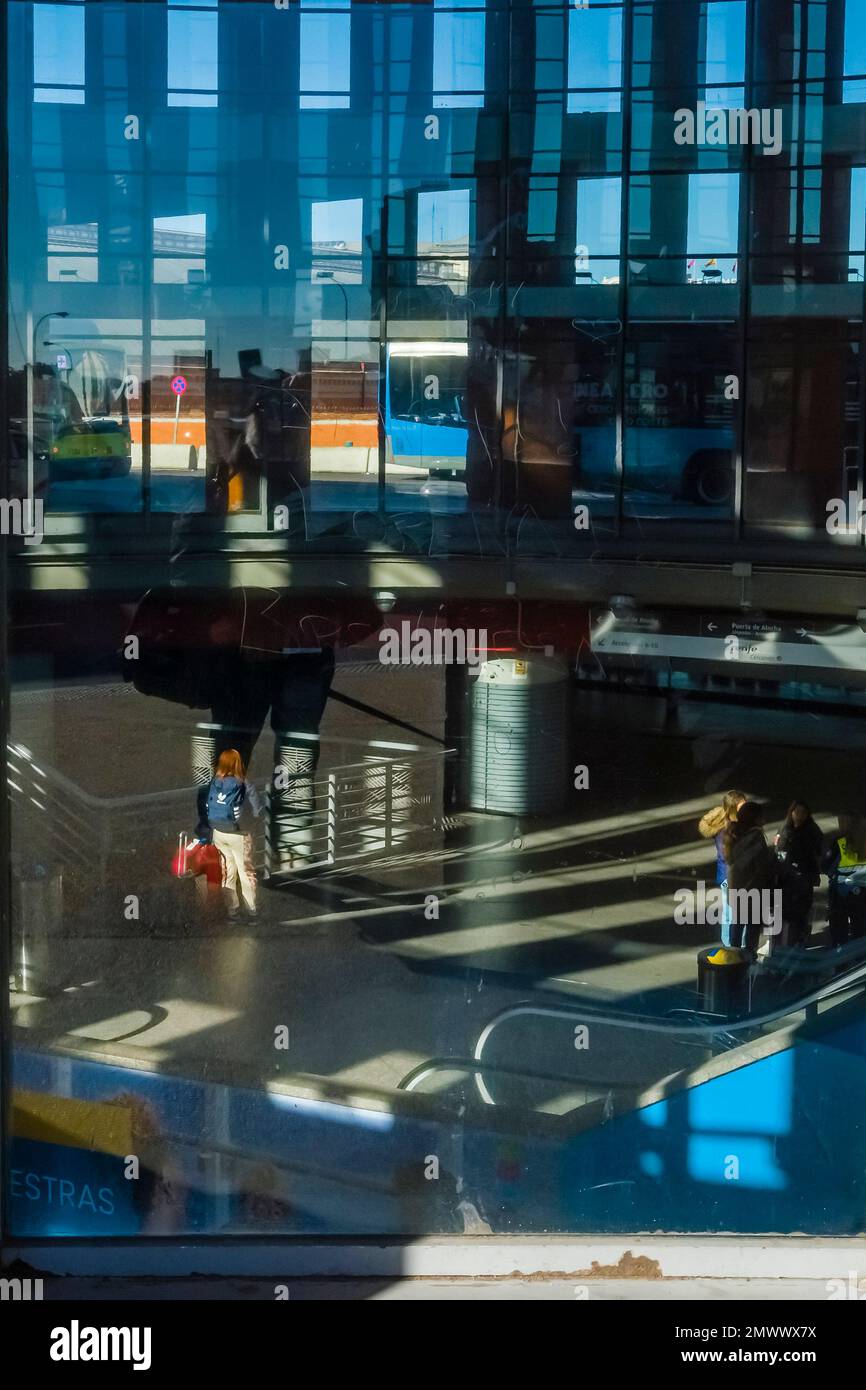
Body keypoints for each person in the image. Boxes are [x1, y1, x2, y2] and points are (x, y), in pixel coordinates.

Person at [196, 748, 262, 919]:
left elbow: (206, 804)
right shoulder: (243, 783)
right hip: (238, 833)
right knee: (245, 871)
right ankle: (251, 910)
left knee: (227, 870)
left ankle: (232, 910)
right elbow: (257, 809)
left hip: (218, 831)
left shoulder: (215, 782)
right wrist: (254, 819)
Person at [723, 801, 779, 954]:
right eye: (761, 817)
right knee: (753, 928)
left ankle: (733, 957)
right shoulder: (755, 837)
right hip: (752, 890)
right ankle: (748, 958)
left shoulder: (733, 833)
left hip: (736, 889)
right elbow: (761, 866)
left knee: (737, 924)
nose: (764, 820)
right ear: (754, 818)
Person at [699, 790, 746, 946]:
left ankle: (731, 944)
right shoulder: (729, 829)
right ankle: (734, 945)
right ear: (733, 808)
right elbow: (730, 855)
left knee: (732, 912)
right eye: (742, 806)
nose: (746, 809)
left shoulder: (729, 825)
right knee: (734, 913)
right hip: (732, 876)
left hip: (728, 875)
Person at [773, 801, 823, 945]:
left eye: (803, 812)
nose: (800, 815)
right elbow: (778, 850)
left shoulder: (812, 830)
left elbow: (818, 852)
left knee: (802, 909)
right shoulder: (784, 828)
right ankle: (783, 941)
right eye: (797, 811)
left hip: (804, 876)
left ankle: (800, 937)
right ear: (791, 812)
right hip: (786, 877)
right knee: (784, 910)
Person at [823, 813, 866, 947]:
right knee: (860, 931)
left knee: (839, 932)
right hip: (862, 893)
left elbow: (825, 865)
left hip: (840, 894)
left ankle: (841, 963)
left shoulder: (840, 843)